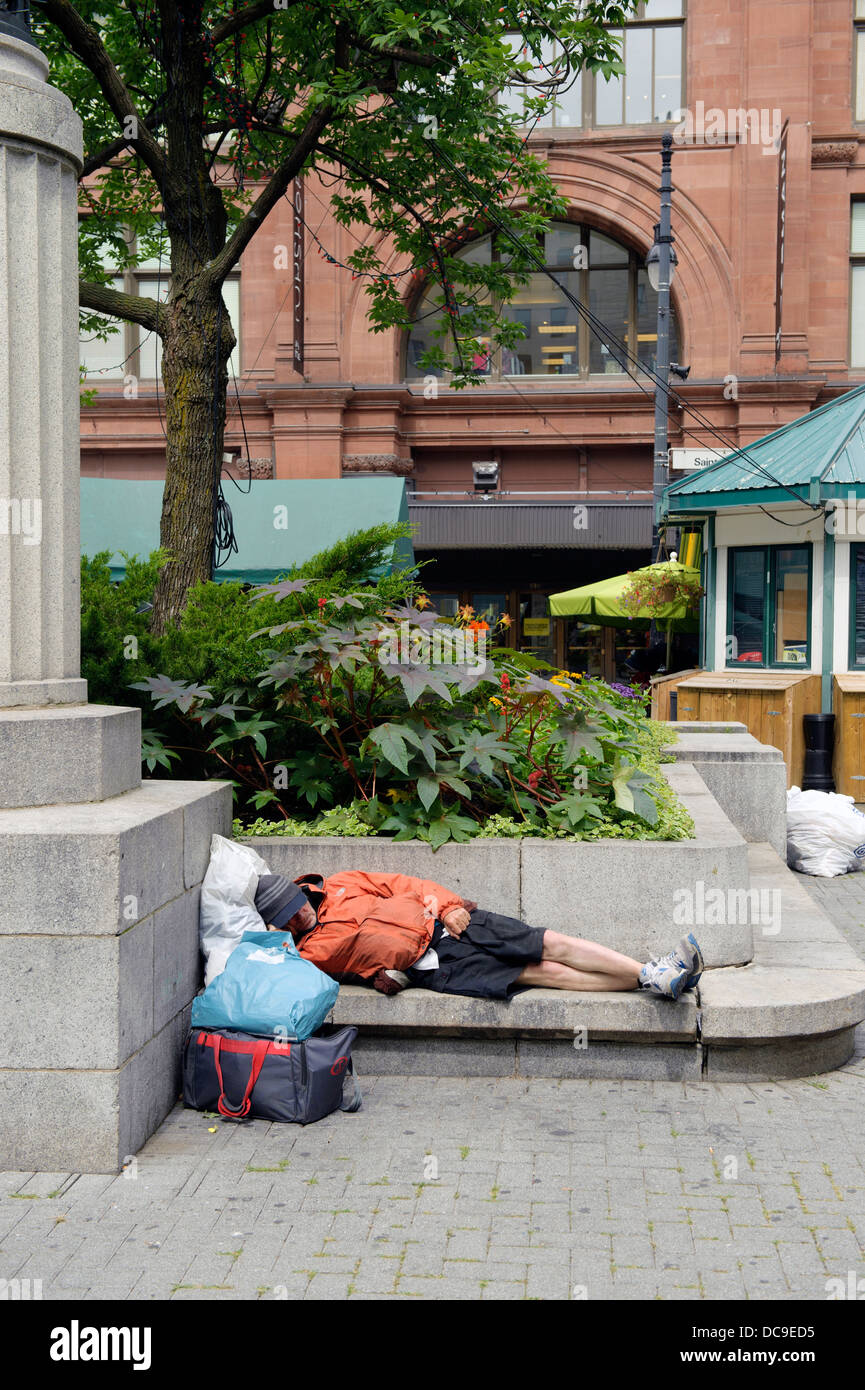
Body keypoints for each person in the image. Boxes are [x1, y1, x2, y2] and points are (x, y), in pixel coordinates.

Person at [252, 870, 703, 1003]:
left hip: (449, 925)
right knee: (539, 972)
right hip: (433, 966)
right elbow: (352, 972)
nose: (299, 921)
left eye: (298, 910)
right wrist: (383, 978)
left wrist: (448, 906)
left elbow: (407, 885)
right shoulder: (305, 953)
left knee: (548, 942)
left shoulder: (343, 883)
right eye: (286, 922)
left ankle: (651, 975)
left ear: (302, 892)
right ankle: (656, 979)